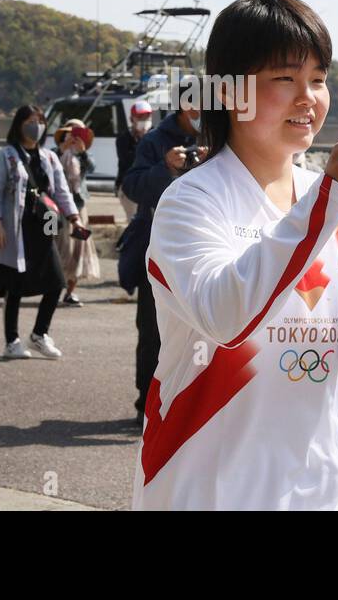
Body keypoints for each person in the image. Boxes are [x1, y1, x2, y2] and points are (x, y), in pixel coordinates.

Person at [132, 0, 338, 511]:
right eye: (285, 79)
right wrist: (326, 199)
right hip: (209, 488)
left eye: (319, 78)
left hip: (323, 490)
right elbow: (225, 316)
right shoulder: (191, 201)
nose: (307, 97)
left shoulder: (330, 205)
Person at [120, 80, 207, 424]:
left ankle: (191, 403)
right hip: (157, 248)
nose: (201, 114)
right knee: (152, 331)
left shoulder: (217, 138)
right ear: (183, 107)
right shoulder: (156, 141)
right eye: (196, 107)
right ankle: (147, 404)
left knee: (200, 330)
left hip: (203, 246)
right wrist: (166, 167)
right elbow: (132, 185)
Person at [0, 106, 84, 359]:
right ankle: (12, 340)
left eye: (40, 121)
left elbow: (62, 190)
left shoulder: (48, 157)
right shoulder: (6, 156)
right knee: (15, 286)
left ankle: (40, 334)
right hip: (17, 227)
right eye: (31, 121)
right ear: (19, 124)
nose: (37, 126)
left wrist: (74, 218)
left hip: (45, 226)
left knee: (56, 281)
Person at [54, 118, 99, 306]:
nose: (73, 138)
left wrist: (82, 153)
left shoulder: (82, 156)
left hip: (79, 207)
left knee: (79, 249)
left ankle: (71, 291)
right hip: (57, 208)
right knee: (58, 247)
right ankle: (53, 289)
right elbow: (48, 170)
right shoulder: (54, 154)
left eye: (77, 134)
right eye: (70, 134)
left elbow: (92, 168)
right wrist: (63, 149)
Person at [115, 100, 153, 222]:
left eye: (147, 117)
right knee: (134, 222)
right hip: (130, 187)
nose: (144, 120)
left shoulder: (157, 136)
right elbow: (129, 161)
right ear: (132, 119)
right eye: (140, 117)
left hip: (151, 186)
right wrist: (142, 139)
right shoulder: (123, 139)